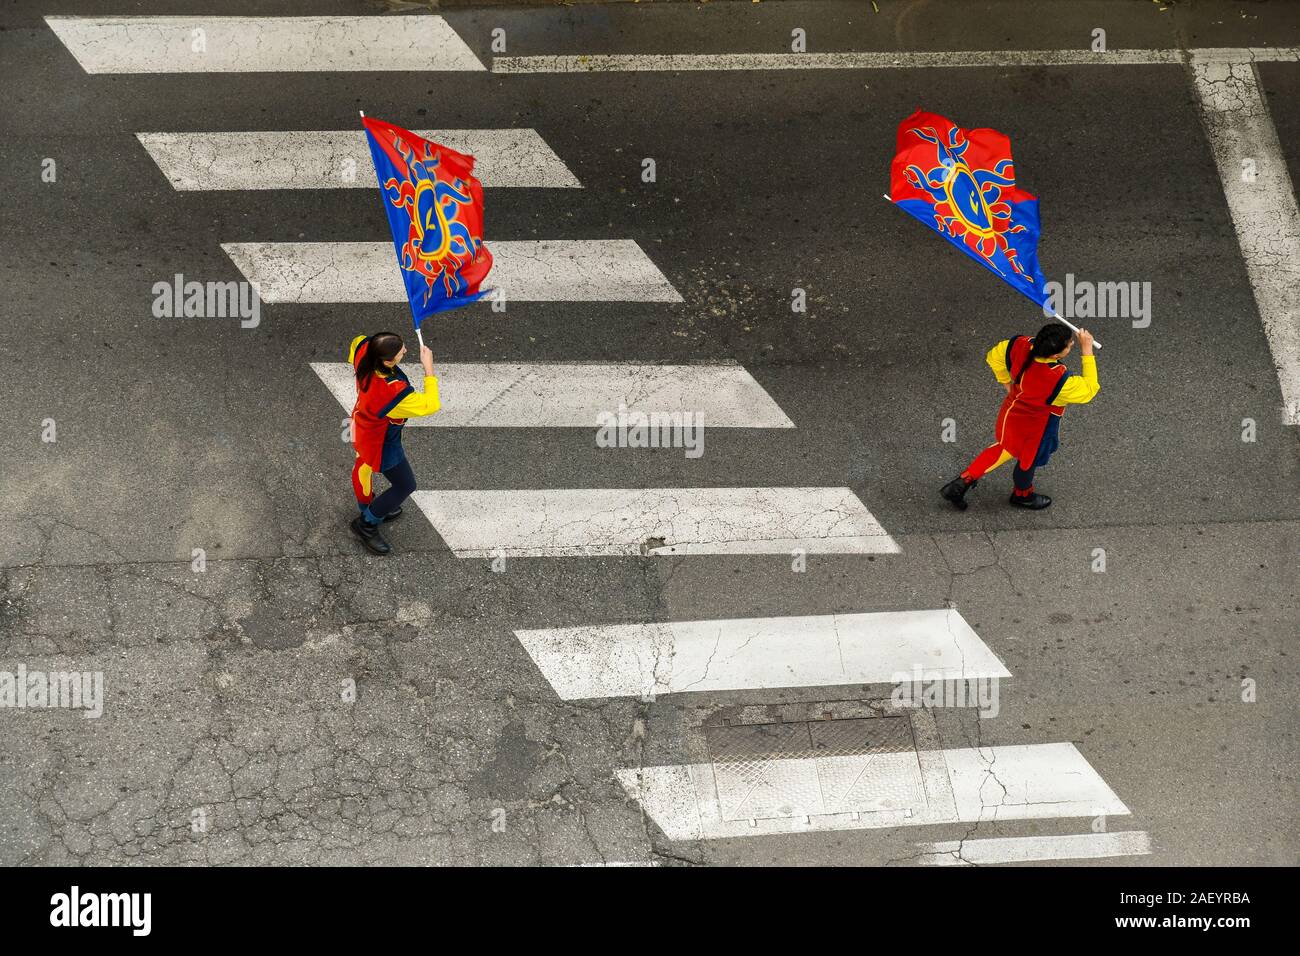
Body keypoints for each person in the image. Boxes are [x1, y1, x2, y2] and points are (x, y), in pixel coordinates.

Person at [941, 324, 1098, 511]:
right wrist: (1087, 351)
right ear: (1055, 355)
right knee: (1028, 460)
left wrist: (1007, 384)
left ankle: (960, 483)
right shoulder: (1059, 380)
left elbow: (994, 356)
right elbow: (1090, 389)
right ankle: (1022, 494)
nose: (1073, 343)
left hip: (1010, 414)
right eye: (1070, 344)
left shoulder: (1020, 345)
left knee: (1002, 449)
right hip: (1035, 425)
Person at [348, 332, 440, 554]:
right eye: (401, 352)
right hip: (381, 442)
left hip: (360, 424)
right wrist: (429, 370)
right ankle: (367, 523)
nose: (406, 351)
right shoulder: (394, 393)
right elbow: (431, 405)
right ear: (387, 361)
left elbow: (356, 343)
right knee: (405, 485)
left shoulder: (364, 348)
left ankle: (368, 507)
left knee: (363, 468)